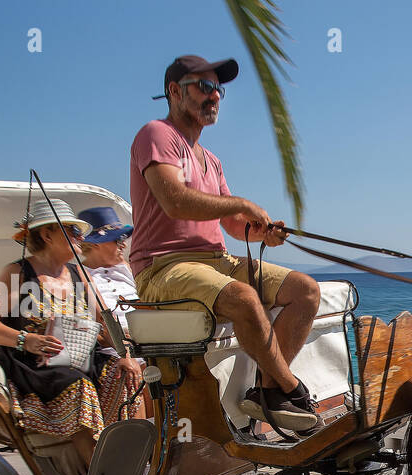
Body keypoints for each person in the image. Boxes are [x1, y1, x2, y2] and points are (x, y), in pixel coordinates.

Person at [129, 54, 322, 435]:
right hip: (164, 267)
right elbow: (176, 201)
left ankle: (267, 391)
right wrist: (241, 204)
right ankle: (291, 388)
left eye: (218, 89)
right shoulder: (156, 134)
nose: (214, 95)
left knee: (306, 291)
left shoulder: (211, 160)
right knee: (245, 298)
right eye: (204, 86)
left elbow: (233, 224)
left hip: (216, 260)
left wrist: (261, 232)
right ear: (174, 91)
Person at [0, 198, 145, 475]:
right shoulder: (18, 273)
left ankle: (132, 458)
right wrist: (25, 339)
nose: (80, 238)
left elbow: (103, 320)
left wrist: (126, 357)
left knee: (127, 376)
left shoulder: (78, 274)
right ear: (47, 234)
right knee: (80, 386)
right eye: (73, 232)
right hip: (35, 366)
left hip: (78, 357)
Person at [77, 205, 136, 338]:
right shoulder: (77, 275)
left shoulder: (129, 269)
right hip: (109, 349)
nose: (124, 245)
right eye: (118, 239)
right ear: (96, 244)